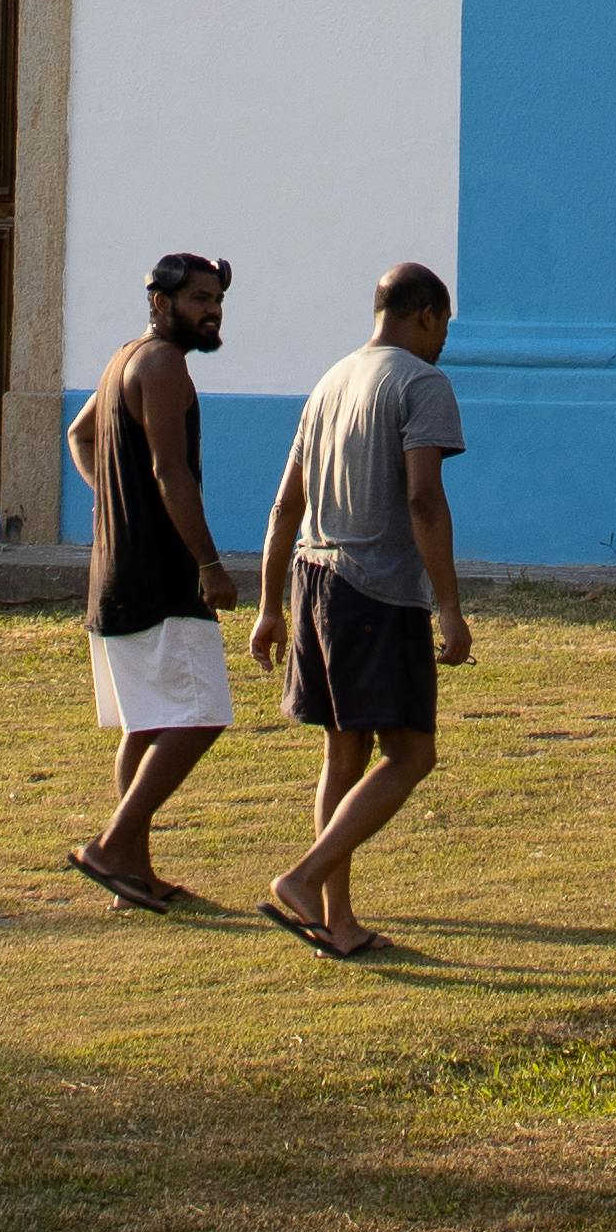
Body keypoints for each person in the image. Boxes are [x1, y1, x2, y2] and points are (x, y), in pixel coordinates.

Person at [247, 259, 469, 960]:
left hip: (314, 581)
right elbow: (424, 498)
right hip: (376, 591)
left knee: (344, 755)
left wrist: (269, 607)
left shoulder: (331, 380)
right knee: (411, 754)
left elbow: (287, 504)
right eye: (444, 326)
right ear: (426, 314)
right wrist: (451, 609)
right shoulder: (421, 382)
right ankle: (305, 876)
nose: (443, 342)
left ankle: (333, 917)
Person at [65, 249, 242, 909]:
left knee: (146, 726)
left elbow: (80, 437)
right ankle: (113, 847)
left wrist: (115, 498)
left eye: (217, 300)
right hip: (163, 575)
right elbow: (173, 474)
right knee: (200, 716)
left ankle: (131, 874)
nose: (212, 310)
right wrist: (209, 565)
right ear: (162, 303)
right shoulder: (163, 364)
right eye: (199, 299)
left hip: (117, 575)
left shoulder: (124, 360)